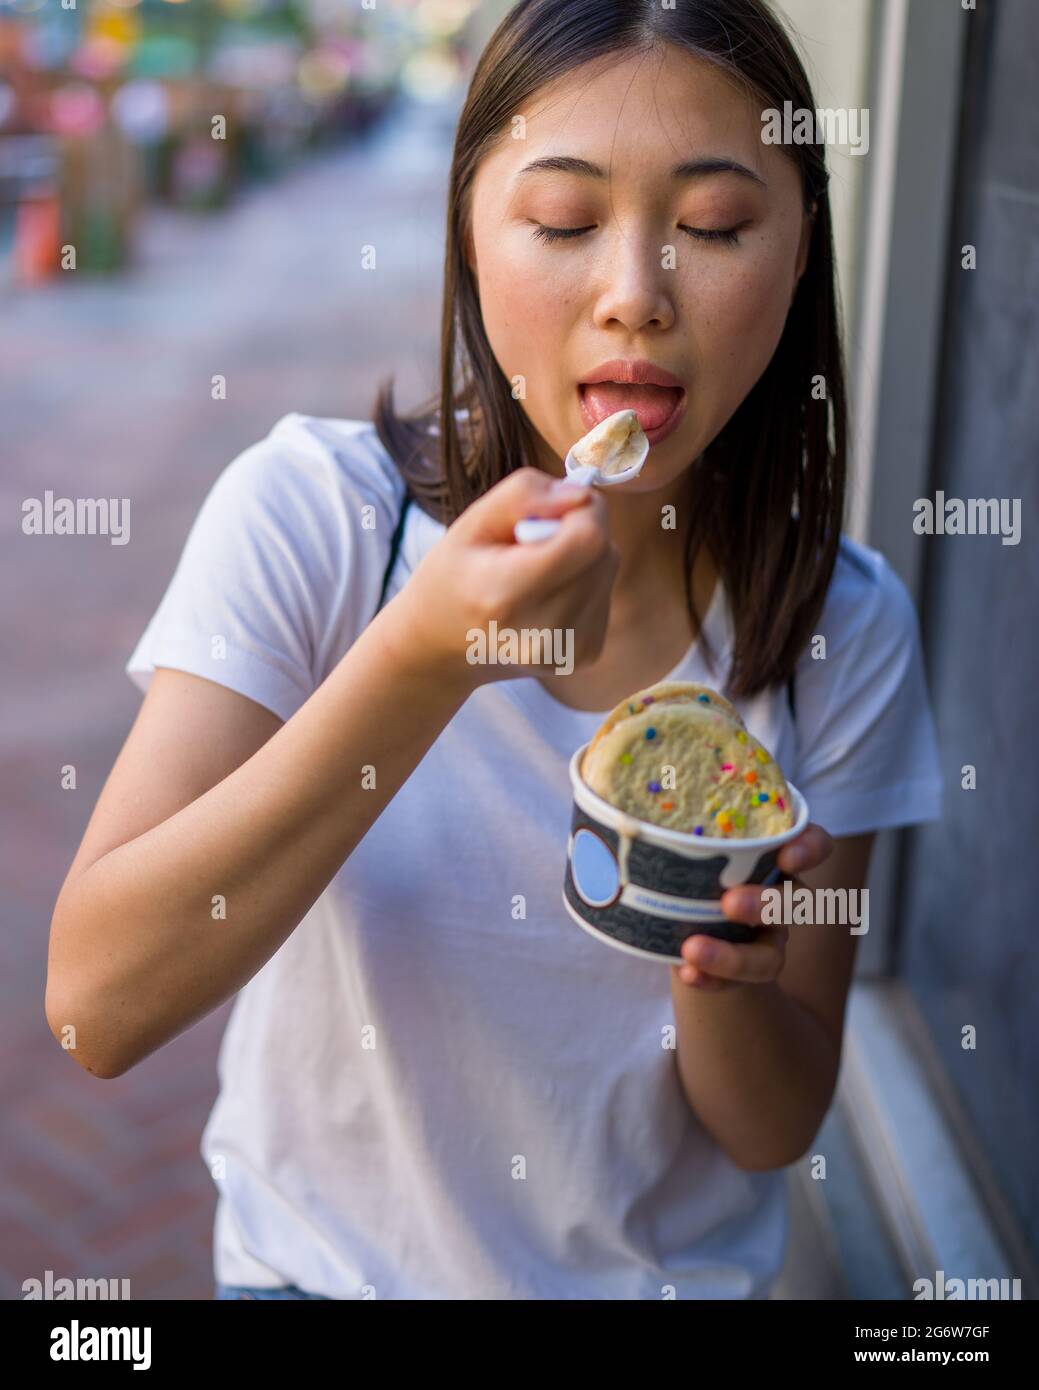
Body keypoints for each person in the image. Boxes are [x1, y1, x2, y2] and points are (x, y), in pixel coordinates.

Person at [46, 0, 943, 1300]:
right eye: (568, 223)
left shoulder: (844, 626)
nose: (636, 294)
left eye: (714, 226)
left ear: (800, 254)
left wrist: (724, 971)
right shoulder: (315, 521)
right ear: (470, 235)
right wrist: (425, 658)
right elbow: (96, 1006)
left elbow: (774, 1123)